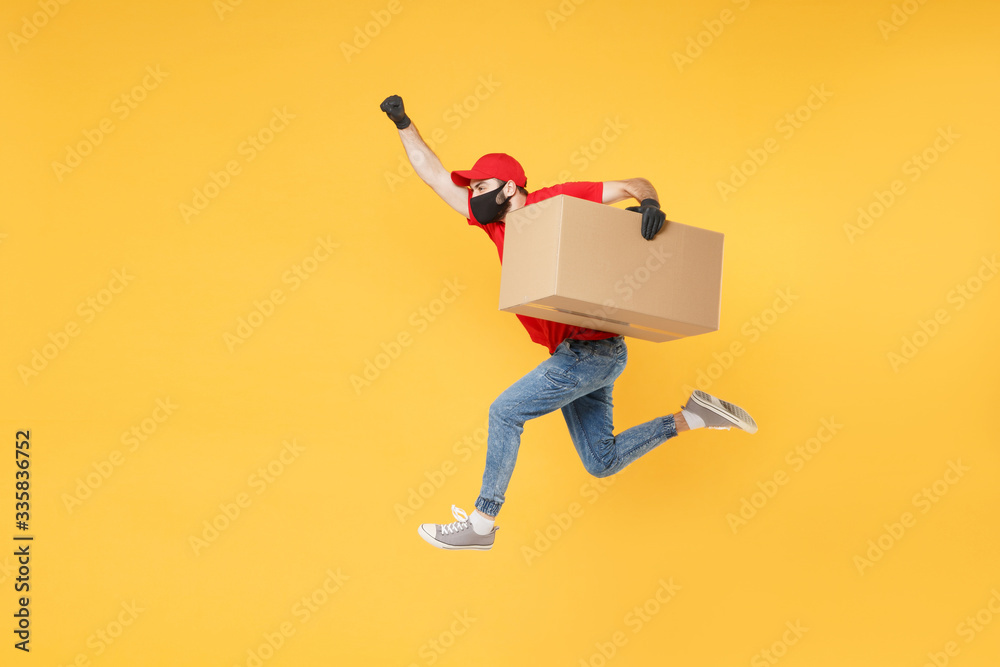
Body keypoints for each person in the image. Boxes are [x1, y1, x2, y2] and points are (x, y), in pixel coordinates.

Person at [379, 94, 758, 551]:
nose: (472, 196)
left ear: (510, 187)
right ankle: (694, 416)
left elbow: (634, 183)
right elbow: (434, 175)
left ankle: (481, 524)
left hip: (590, 350)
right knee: (602, 461)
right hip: (583, 355)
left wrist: (651, 204)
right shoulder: (495, 226)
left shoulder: (557, 202)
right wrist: (402, 123)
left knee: (505, 411)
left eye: (481, 187)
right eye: (472, 189)